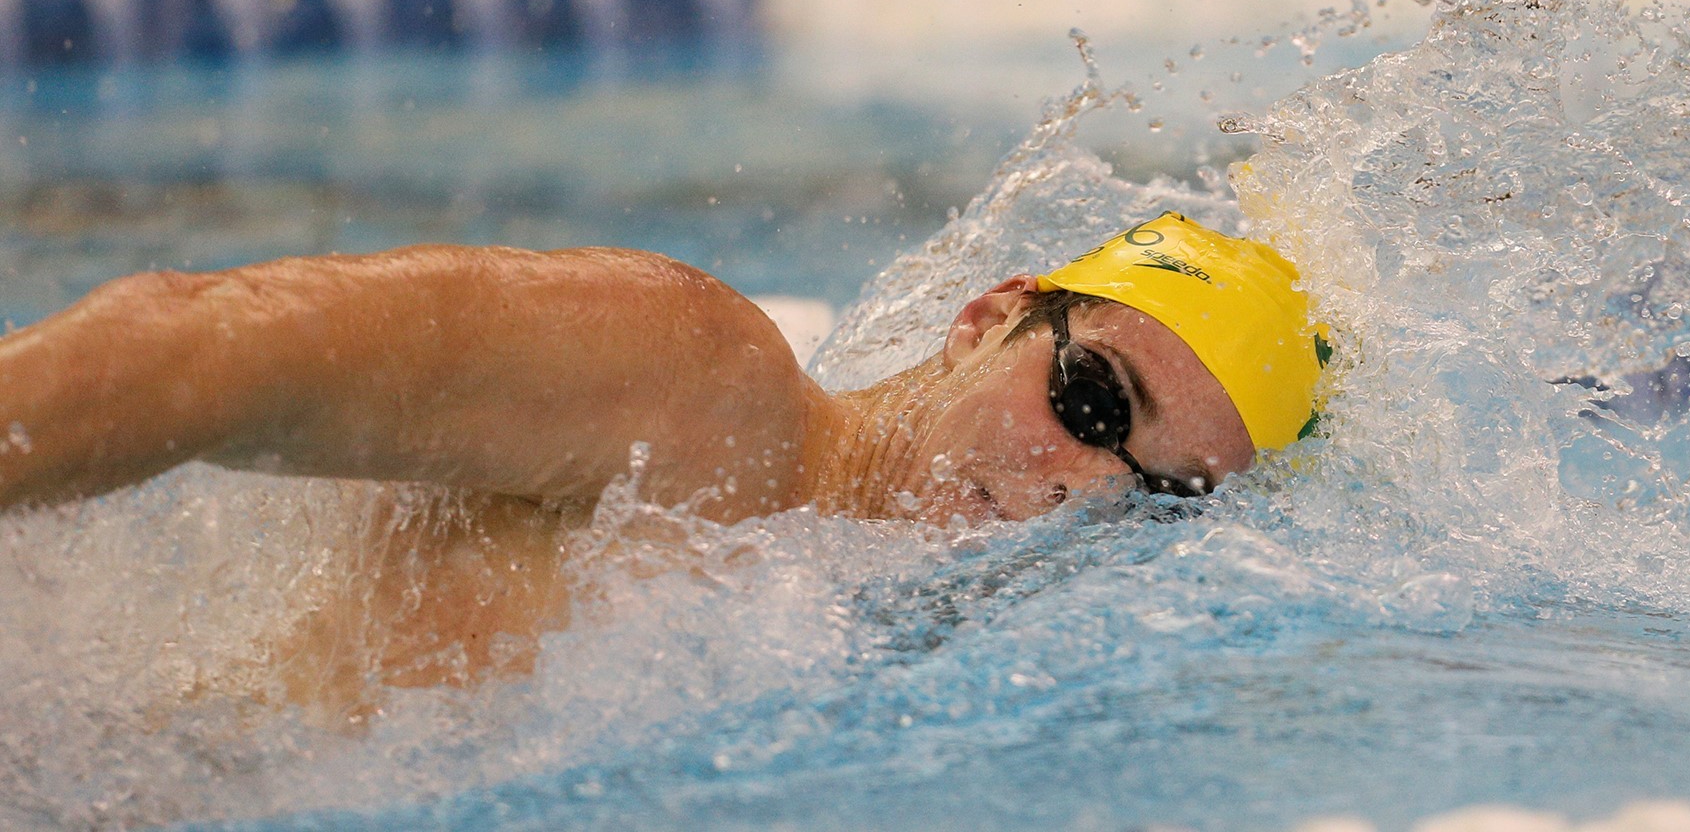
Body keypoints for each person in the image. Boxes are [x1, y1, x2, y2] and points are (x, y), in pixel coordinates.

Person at [0, 211, 1324, 711]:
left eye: (1160, 494)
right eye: (1093, 401)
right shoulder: (701, 389)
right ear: (986, 319)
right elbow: (206, 353)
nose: (1072, 488)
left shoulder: (889, 652)